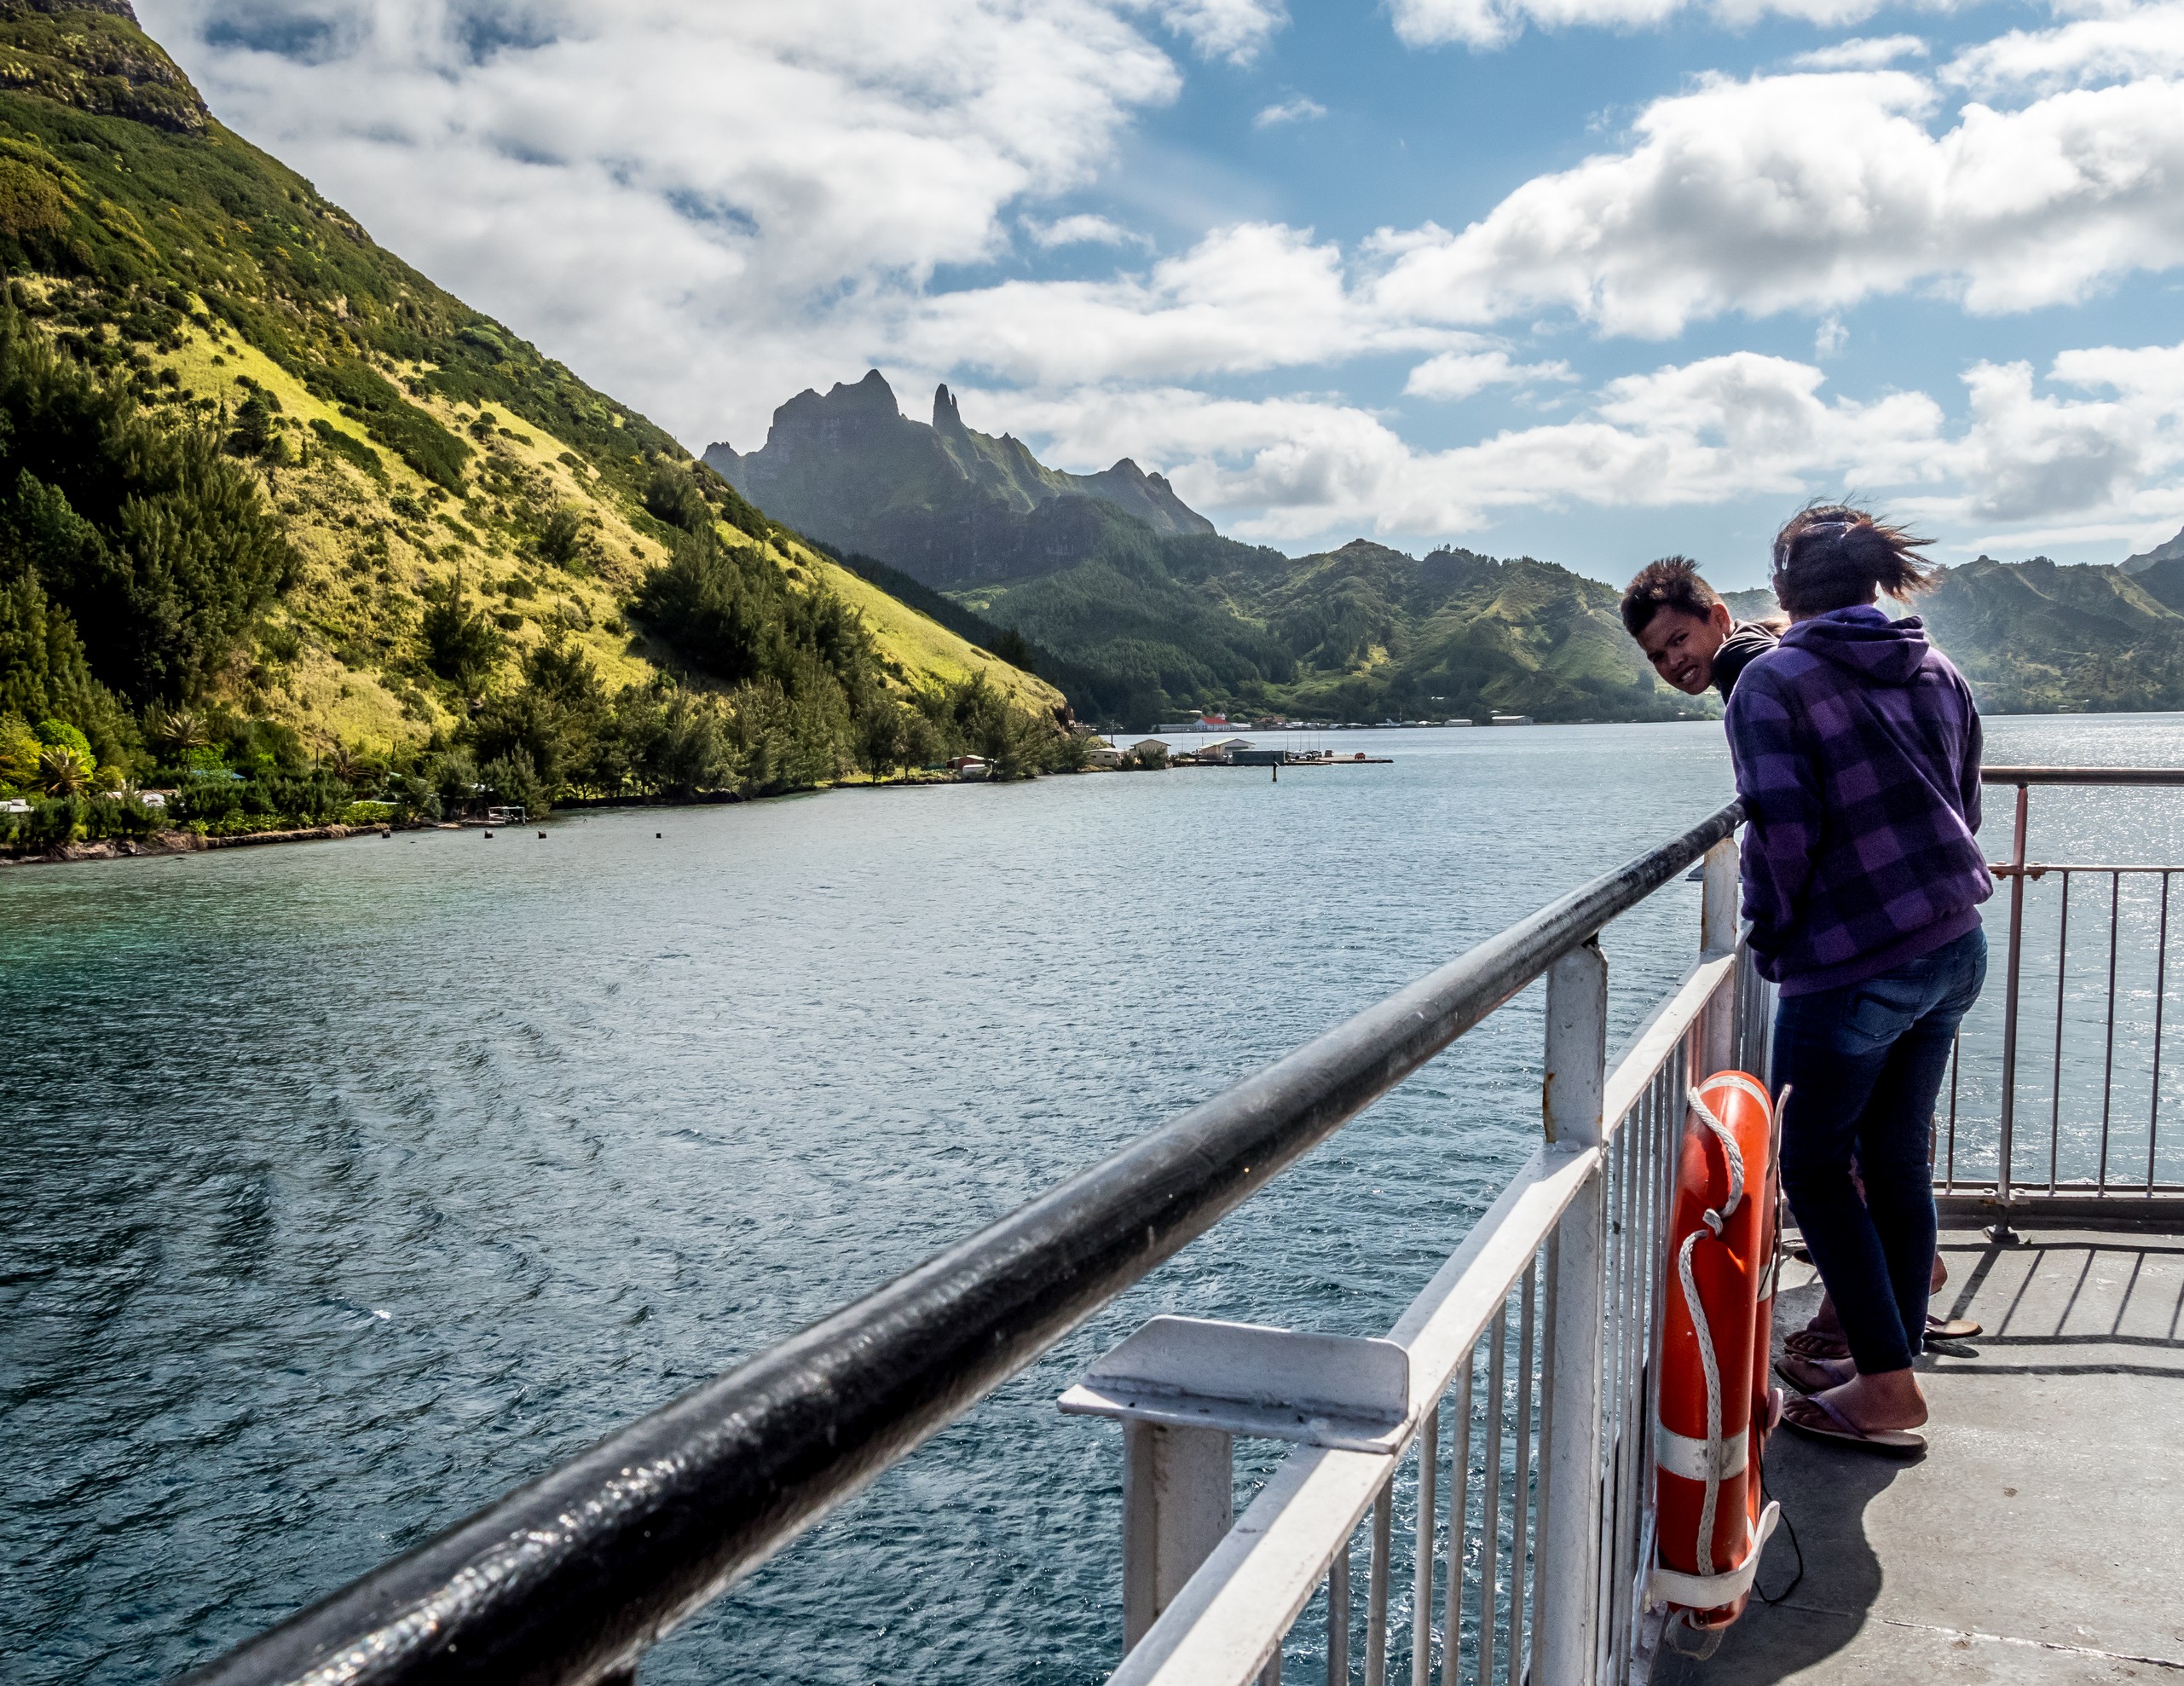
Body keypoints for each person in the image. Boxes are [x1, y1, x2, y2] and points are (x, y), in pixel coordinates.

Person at [1727, 505, 1992, 1455]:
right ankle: (1891, 1356)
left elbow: (1779, 833)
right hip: (1954, 943)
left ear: (1784, 593)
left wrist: (1770, 937)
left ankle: (1885, 1384)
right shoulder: (1938, 667)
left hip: (1852, 962)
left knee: (1809, 1163)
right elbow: (1962, 801)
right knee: (1895, 1155)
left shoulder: (1774, 680)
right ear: (1876, 581)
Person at [1620, 557, 1782, 700]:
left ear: (1719, 619)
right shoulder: (1769, 646)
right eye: (1658, 657)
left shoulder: (1740, 665)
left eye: (1680, 639)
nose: (1674, 662)